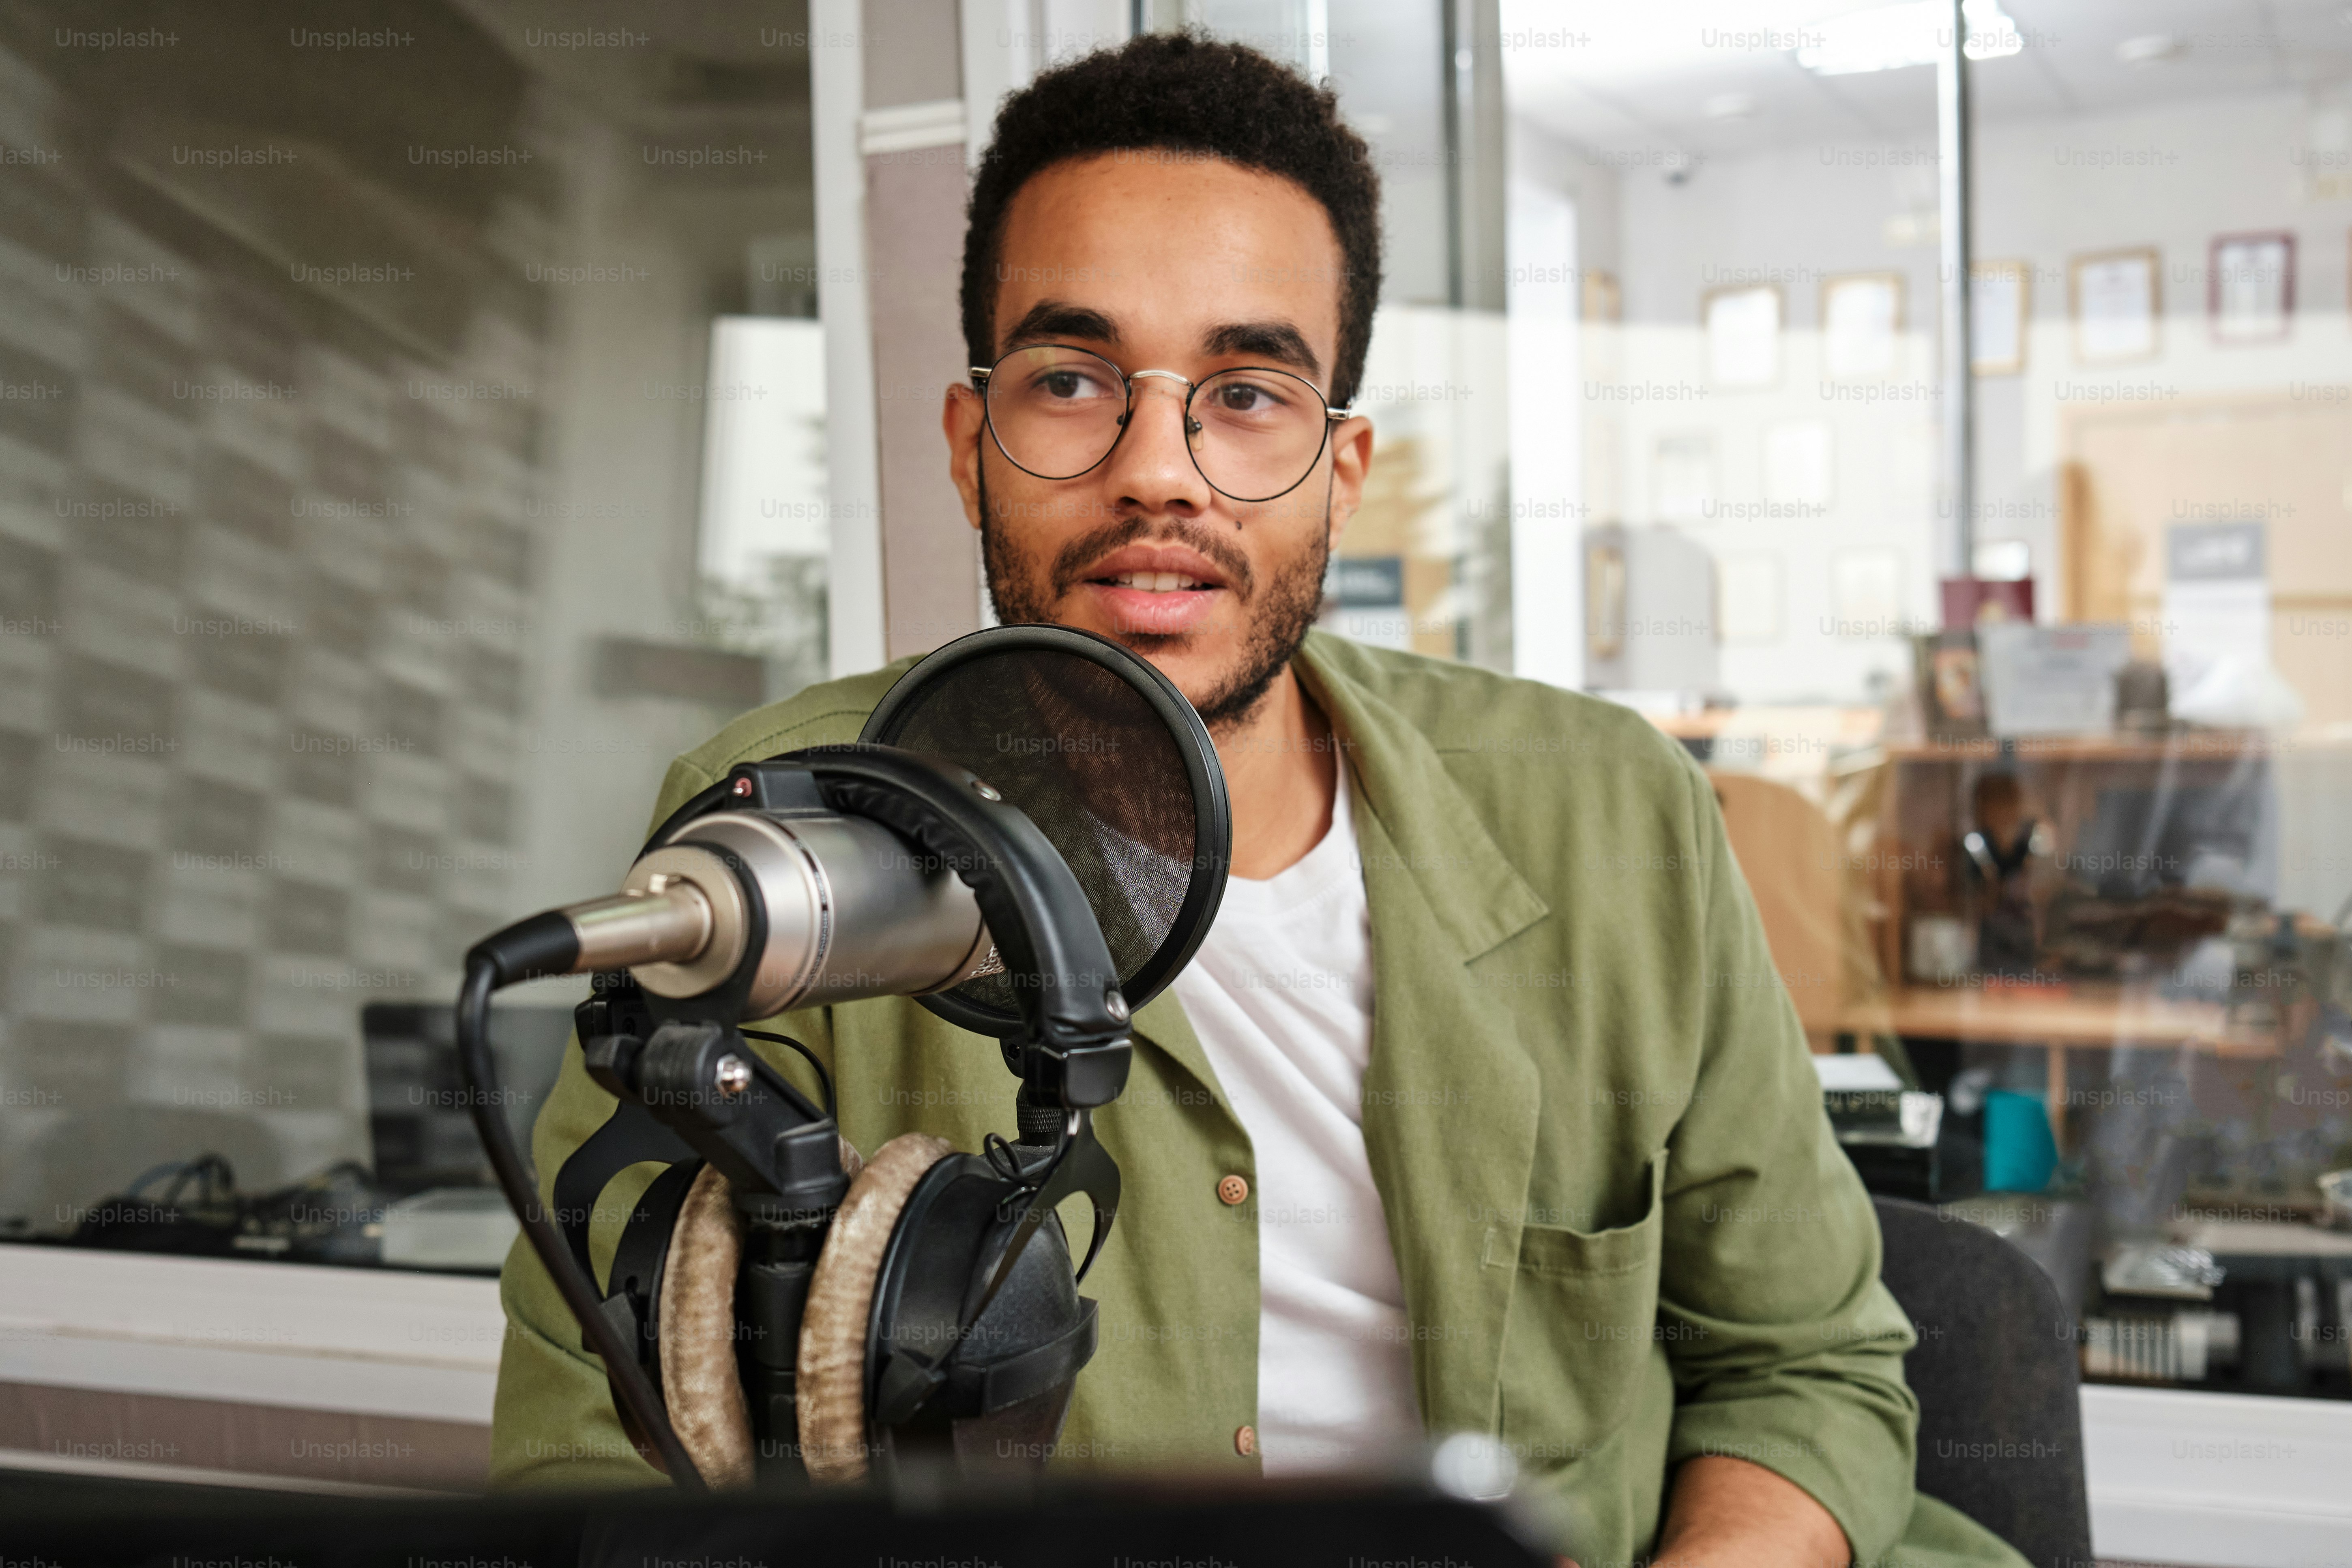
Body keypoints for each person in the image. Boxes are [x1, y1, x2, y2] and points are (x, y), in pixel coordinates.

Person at [491, 33, 2021, 1568]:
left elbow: (1806, 1366)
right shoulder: (779, 839)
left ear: (1342, 469)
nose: (1161, 469)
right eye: (1076, 380)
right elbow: (586, 1455)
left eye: (1245, 391)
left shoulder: (1616, 814)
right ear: (973, 449)